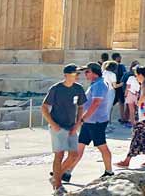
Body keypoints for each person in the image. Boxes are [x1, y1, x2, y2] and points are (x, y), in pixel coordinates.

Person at [61, 63, 113, 181]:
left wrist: (82, 119)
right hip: (90, 121)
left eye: (87, 72)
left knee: (102, 146)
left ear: (95, 72)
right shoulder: (95, 84)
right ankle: (67, 172)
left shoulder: (99, 85)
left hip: (96, 122)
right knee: (79, 147)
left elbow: (95, 104)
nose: (85, 74)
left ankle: (109, 172)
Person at [42, 65, 86, 193]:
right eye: (75, 74)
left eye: (78, 74)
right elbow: (44, 107)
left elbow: (81, 107)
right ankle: (58, 186)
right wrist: (53, 124)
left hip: (71, 126)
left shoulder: (79, 88)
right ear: (66, 75)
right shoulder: (56, 89)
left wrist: (78, 124)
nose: (77, 76)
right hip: (58, 126)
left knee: (74, 155)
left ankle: (56, 178)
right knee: (59, 155)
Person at [116, 66, 145, 168]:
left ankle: (127, 160)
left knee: (136, 135)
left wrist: (138, 103)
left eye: (136, 75)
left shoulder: (144, 84)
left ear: (140, 75)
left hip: (144, 114)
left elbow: (143, 96)